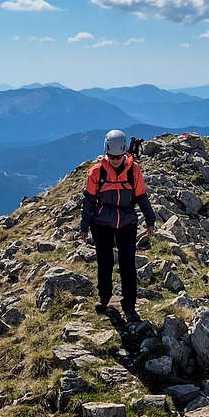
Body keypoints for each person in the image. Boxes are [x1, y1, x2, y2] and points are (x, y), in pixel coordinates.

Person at [80, 129, 156, 322]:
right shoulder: (96, 172)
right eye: (112, 157)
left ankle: (129, 306)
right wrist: (84, 226)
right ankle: (104, 298)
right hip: (101, 222)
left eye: (119, 156)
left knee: (128, 264)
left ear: (124, 153)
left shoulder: (134, 170)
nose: (115, 160)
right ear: (106, 152)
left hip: (127, 222)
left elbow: (141, 196)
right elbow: (88, 200)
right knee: (105, 262)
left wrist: (150, 220)